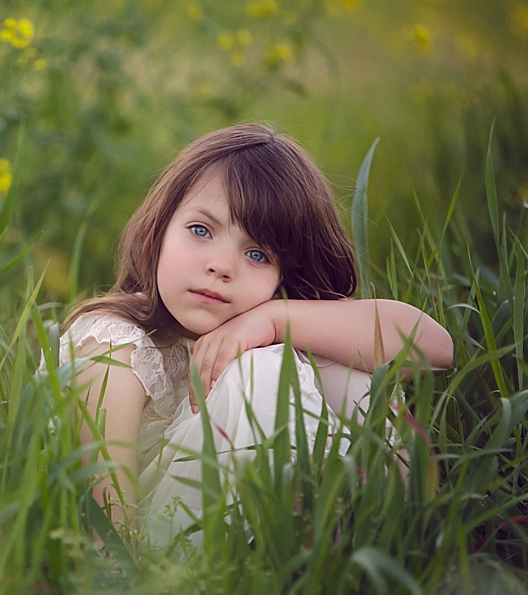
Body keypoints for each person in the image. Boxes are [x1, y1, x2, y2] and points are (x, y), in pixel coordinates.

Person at [56, 123, 453, 547]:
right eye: (201, 230)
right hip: (160, 552)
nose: (222, 265)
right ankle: (308, 548)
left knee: (338, 369)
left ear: (284, 273)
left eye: (257, 254)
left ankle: (388, 532)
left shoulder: (265, 326)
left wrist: (272, 319)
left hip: (274, 524)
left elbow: (435, 349)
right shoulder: (115, 342)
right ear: (159, 228)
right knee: (266, 370)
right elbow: (108, 524)